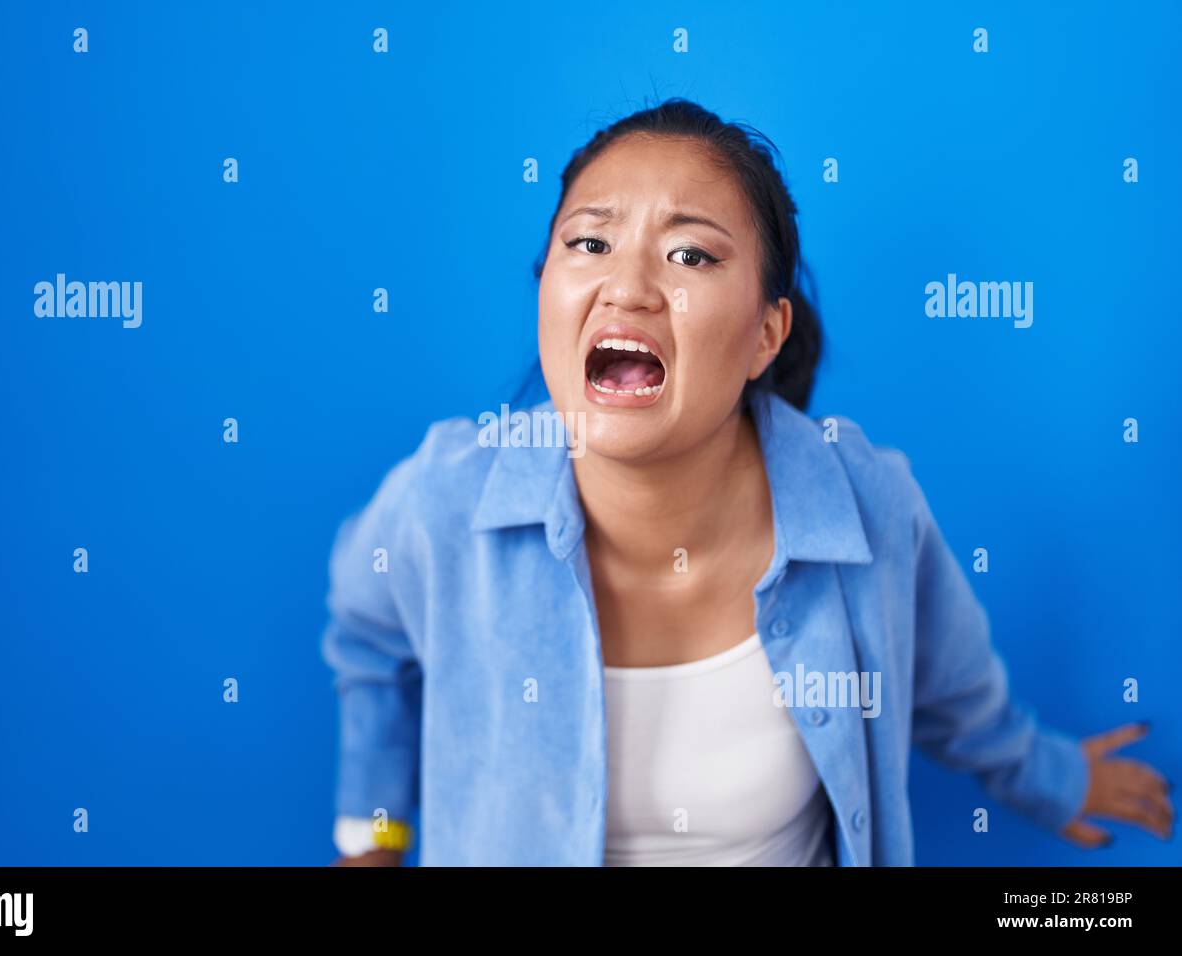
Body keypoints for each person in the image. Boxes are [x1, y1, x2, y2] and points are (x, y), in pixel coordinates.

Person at [324, 99, 1173, 866]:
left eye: (690, 254)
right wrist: (375, 836)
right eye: (590, 242)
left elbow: (949, 689)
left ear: (767, 335)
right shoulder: (445, 497)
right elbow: (369, 641)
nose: (627, 286)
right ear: (546, 285)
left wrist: (1050, 777)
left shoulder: (867, 506)